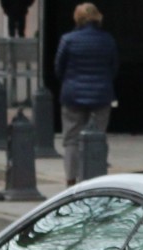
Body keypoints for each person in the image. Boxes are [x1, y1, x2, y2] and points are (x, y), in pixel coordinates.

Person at [55, 2, 120, 186]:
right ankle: (96, 178)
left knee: (71, 139)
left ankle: (71, 180)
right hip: (101, 95)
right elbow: (114, 67)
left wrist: (70, 82)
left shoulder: (67, 40)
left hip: (72, 95)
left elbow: (59, 68)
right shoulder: (107, 39)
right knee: (98, 136)